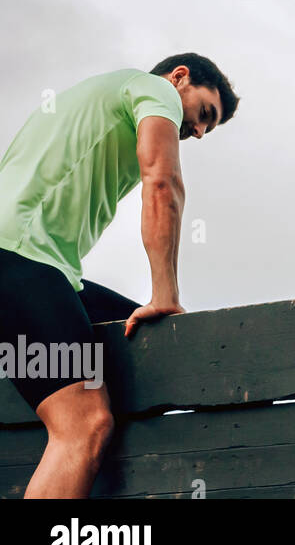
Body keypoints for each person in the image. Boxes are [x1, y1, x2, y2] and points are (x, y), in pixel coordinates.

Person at [0, 53, 239, 498]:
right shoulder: (155, 91)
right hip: (19, 258)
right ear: (180, 78)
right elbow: (162, 182)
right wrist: (164, 291)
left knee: (152, 337)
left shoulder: (92, 98)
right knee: (84, 423)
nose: (201, 131)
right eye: (205, 113)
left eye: (211, 128)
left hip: (39, 266)